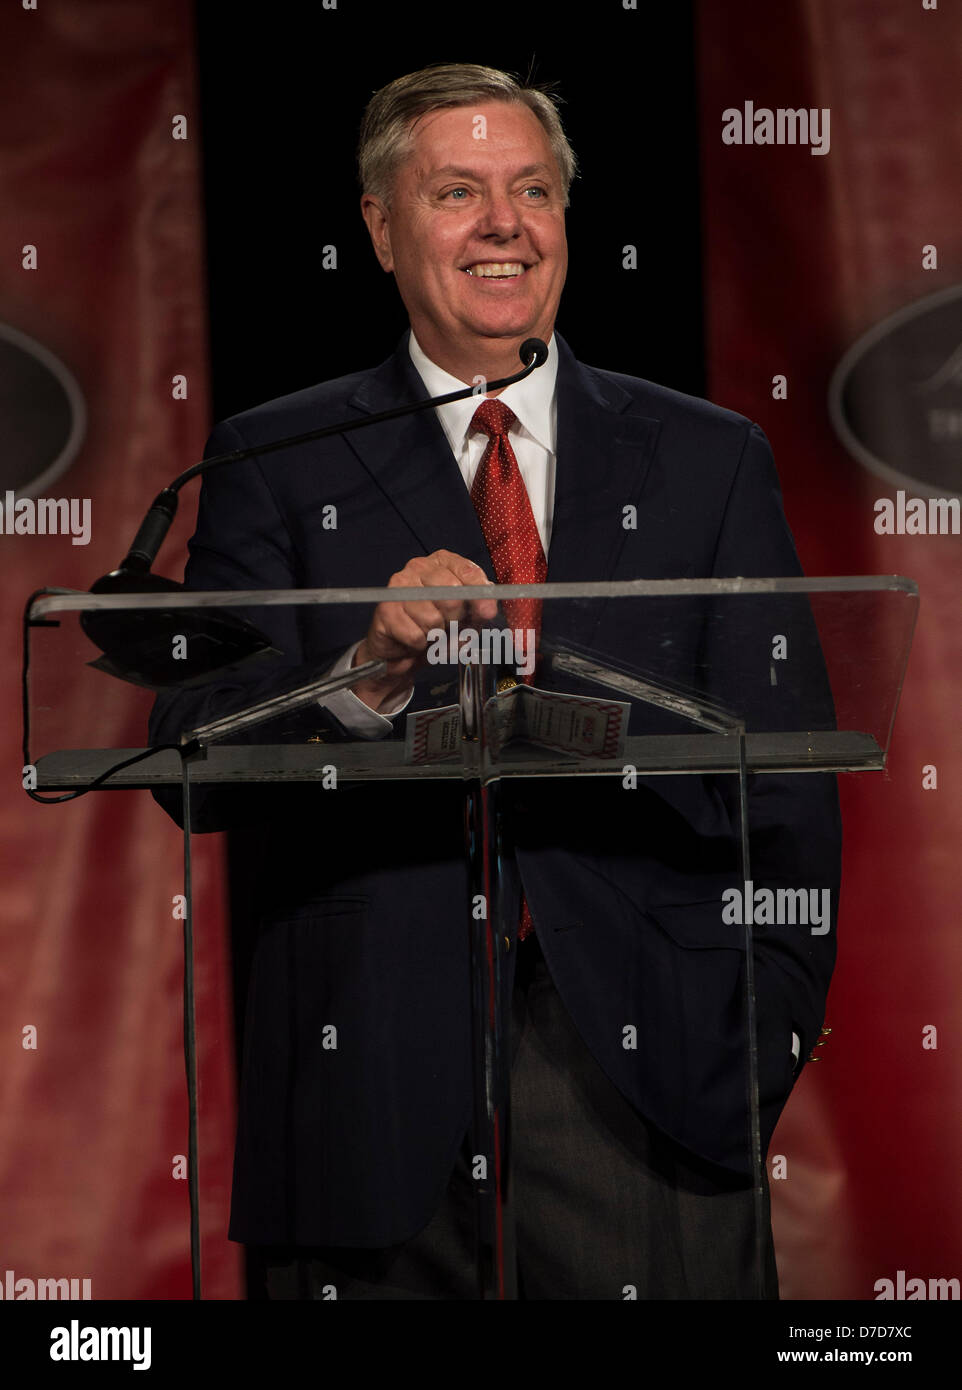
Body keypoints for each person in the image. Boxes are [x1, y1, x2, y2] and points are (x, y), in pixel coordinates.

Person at [149, 62, 841, 1300]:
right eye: (457, 191)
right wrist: (365, 669)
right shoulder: (273, 454)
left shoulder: (705, 457)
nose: (502, 224)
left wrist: (760, 1030)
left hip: (654, 1089)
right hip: (362, 1086)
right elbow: (190, 752)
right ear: (378, 225)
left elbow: (786, 782)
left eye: (531, 189)